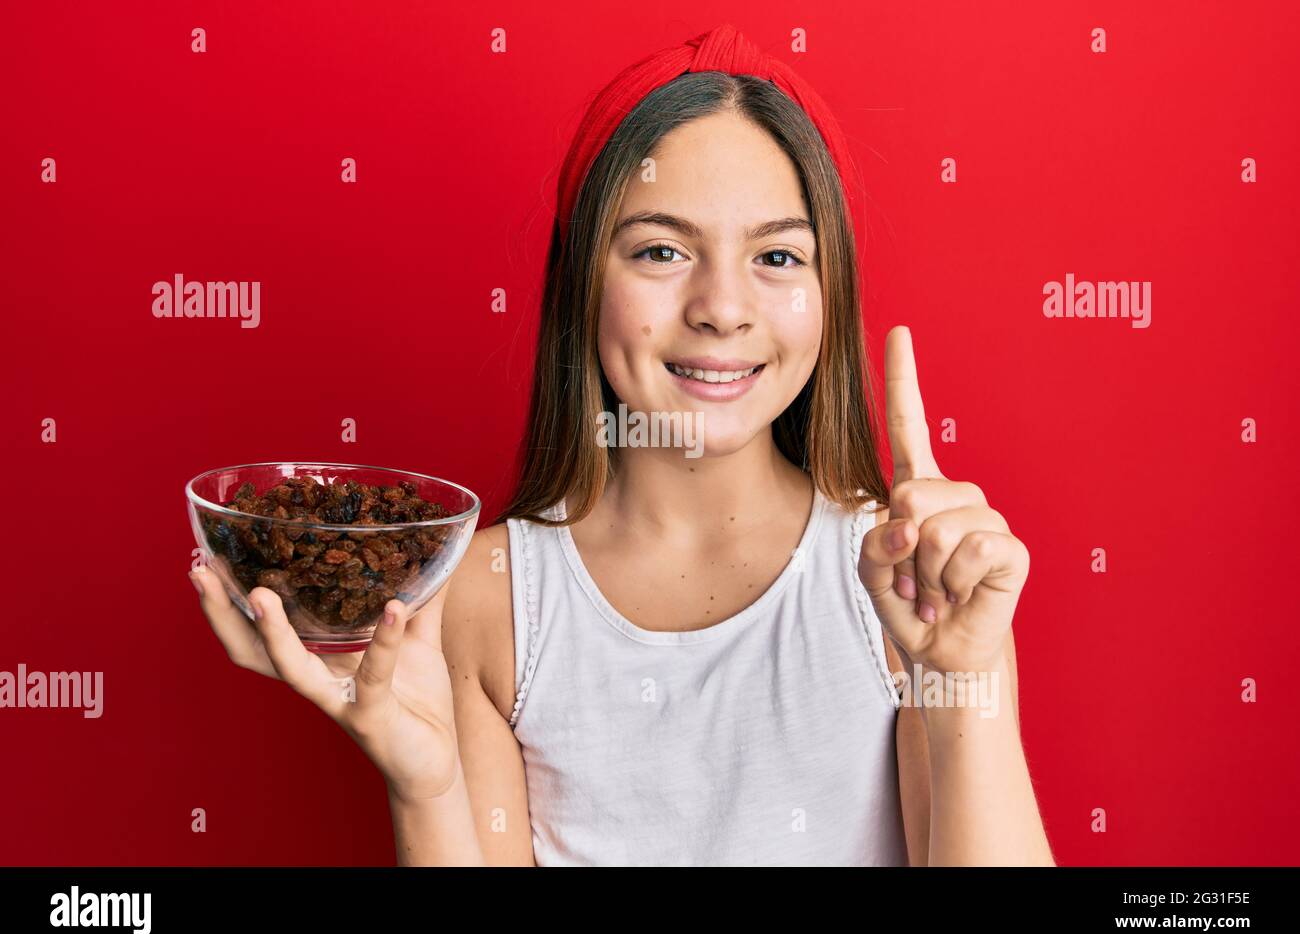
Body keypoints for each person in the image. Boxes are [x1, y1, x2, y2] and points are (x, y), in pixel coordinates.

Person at [191, 24, 1053, 866]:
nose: (722, 305)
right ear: (582, 284)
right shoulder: (483, 603)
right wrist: (426, 789)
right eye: (663, 249)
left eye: (779, 258)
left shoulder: (916, 581)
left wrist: (964, 679)